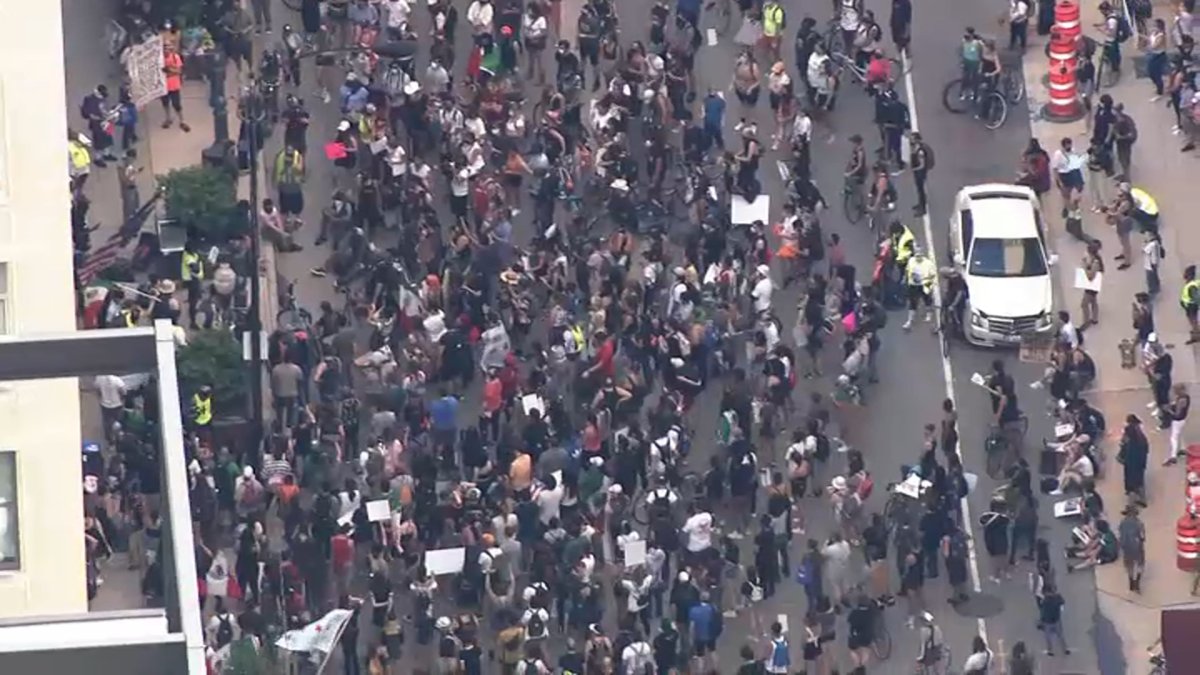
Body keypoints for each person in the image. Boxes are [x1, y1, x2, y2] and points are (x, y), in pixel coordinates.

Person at [1118, 414, 1149, 505]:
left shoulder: (1131, 444)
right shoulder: (1141, 438)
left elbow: (1123, 446)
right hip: (1140, 464)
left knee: (1131, 485)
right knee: (1139, 481)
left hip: (1131, 464)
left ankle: (1130, 507)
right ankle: (1142, 500)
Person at [1119, 505, 1146, 592]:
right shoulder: (1139, 523)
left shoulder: (1122, 523)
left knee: (1129, 565)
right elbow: (1142, 537)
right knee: (1140, 564)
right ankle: (1137, 582)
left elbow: (1121, 536)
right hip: (1137, 547)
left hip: (1126, 547)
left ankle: (1131, 581)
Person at [1038, 584, 1070, 655]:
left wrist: (1041, 621)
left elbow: (1043, 612)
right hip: (1056, 620)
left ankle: (1050, 650)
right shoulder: (1057, 597)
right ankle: (1065, 649)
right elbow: (1062, 603)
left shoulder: (1045, 601)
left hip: (1048, 622)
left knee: (1048, 637)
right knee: (1060, 635)